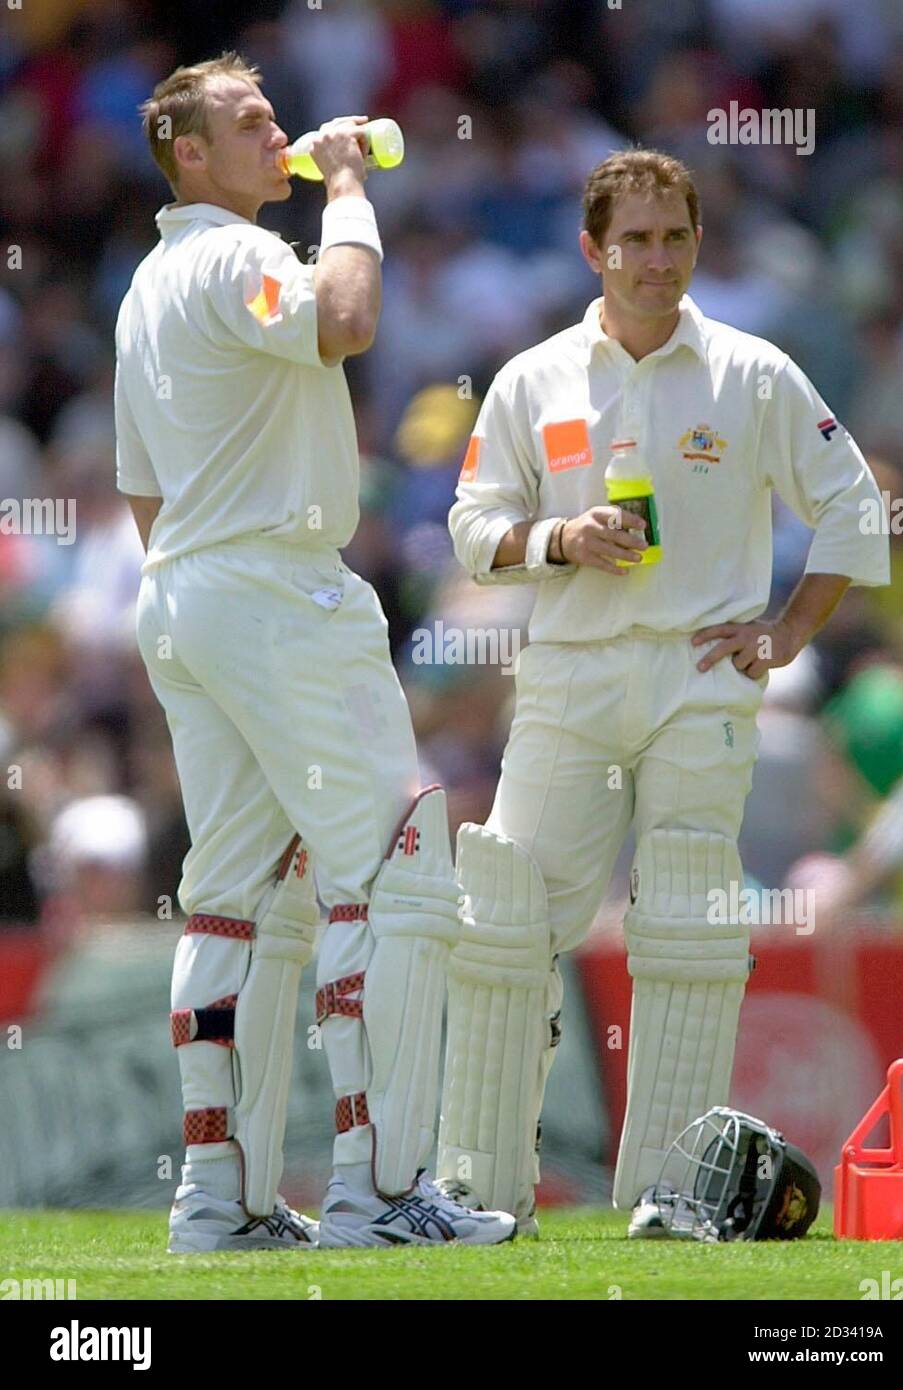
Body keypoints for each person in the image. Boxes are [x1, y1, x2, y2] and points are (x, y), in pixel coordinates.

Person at [435, 149, 890, 1231]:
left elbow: (853, 504)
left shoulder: (754, 372)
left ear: (697, 242)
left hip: (700, 671)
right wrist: (558, 535)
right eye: (634, 239)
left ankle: (674, 1198)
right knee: (506, 924)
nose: (656, 259)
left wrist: (785, 631)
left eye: (675, 236)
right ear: (593, 249)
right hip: (571, 670)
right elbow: (466, 529)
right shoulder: (532, 377)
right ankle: (476, 1191)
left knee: (688, 929)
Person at [117, 52, 514, 1252]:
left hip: (184, 590)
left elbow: (143, 498)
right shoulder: (243, 254)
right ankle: (380, 1192)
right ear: (188, 153)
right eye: (250, 123)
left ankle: (218, 1205)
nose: (280, 133)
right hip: (276, 588)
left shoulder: (143, 287)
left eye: (278, 118)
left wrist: (214, 603)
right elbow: (347, 317)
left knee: (230, 898)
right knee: (396, 870)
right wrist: (347, 186)